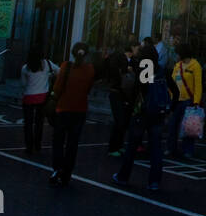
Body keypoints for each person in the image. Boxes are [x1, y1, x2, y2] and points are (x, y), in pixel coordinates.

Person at [114, 44, 169, 192]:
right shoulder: (162, 69)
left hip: (143, 113)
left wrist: (131, 104)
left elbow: (141, 89)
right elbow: (174, 90)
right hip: (158, 112)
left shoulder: (146, 67)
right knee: (156, 148)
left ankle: (123, 176)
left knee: (132, 146)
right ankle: (154, 182)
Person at [49, 41, 96, 187]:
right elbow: (88, 89)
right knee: (72, 144)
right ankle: (67, 173)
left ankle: (57, 168)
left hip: (63, 109)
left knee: (58, 141)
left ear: (72, 52)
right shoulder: (90, 70)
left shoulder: (66, 67)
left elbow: (57, 88)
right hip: (80, 110)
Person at [168, 42, 203, 161]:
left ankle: (188, 150)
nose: (176, 55)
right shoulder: (177, 65)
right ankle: (171, 148)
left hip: (189, 100)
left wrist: (196, 101)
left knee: (188, 127)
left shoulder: (195, 65)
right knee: (172, 125)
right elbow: (171, 83)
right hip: (176, 100)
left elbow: (198, 85)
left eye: (177, 53)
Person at [106, 39, 140, 156]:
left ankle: (119, 145)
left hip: (127, 95)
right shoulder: (118, 58)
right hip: (117, 93)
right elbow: (114, 73)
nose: (138, 51)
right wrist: (126, 70)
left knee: (124, 121)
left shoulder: (134, 61)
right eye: (137, 48)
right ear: (132, 47)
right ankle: (113, 147)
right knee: (119, 120)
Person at [20, 45, 56, 154]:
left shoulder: (25, 68)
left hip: (29, 97)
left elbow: (23, 84)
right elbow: (59, 71)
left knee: (28, 123)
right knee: (39, 123)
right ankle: (38, 145)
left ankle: (29, 146)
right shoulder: (47, 64)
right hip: (42, 97)